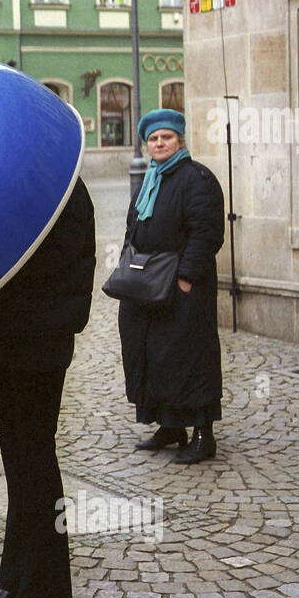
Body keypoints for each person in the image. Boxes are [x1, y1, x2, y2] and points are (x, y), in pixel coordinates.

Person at [0, 178, 96, 598]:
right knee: (16, 458)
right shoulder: (11, 180)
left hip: (39, 338)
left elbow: (57, 265)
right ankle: (16, 579)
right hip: (2, 332)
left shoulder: (64, 188)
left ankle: (45, 593)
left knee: (35, 457)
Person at [119, 109, 225, 464]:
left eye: (166, 137)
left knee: (189, 358)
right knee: (153, 356)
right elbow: (132, 228)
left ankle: (202, 434)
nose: (159, 143)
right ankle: (169, 425)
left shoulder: (197, 179)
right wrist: (127, 267)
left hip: (182, 289)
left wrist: (186, 277)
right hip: (146, 285)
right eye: (153, 138)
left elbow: (206, 233)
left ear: (180, 140)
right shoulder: (151, 179)